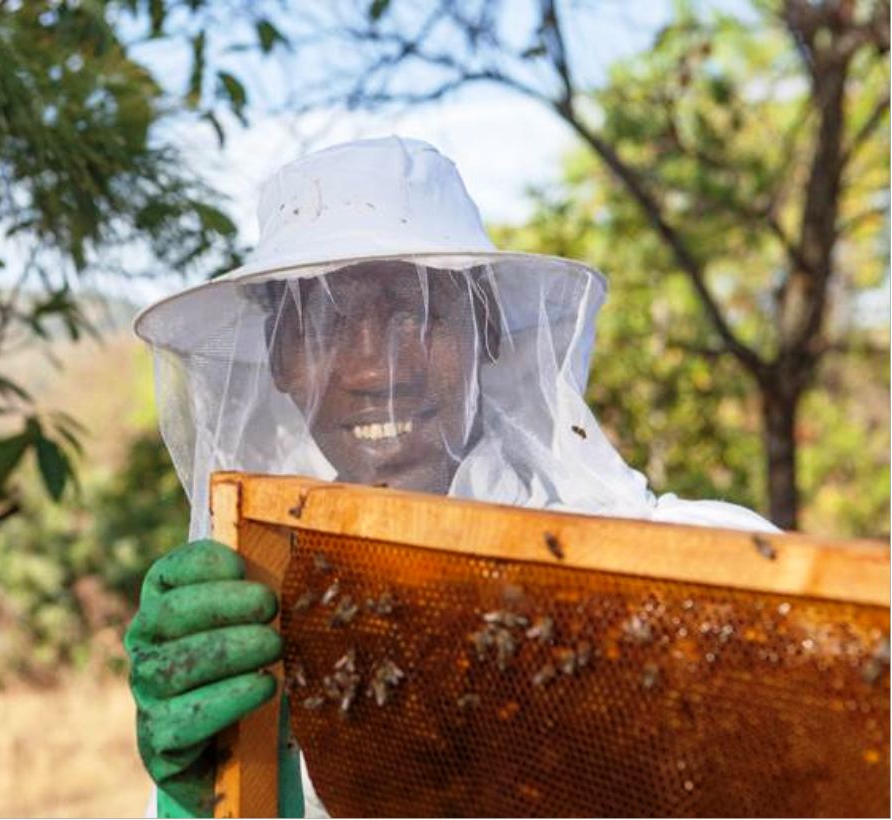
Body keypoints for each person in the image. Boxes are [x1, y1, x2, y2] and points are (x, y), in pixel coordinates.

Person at [126, 136, 775, 818]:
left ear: (485, 330)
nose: (378, 371)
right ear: (282, 360)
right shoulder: (250, 630)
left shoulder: (685, 560)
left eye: (419, 313)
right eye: (328, 325)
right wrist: (215, 794)